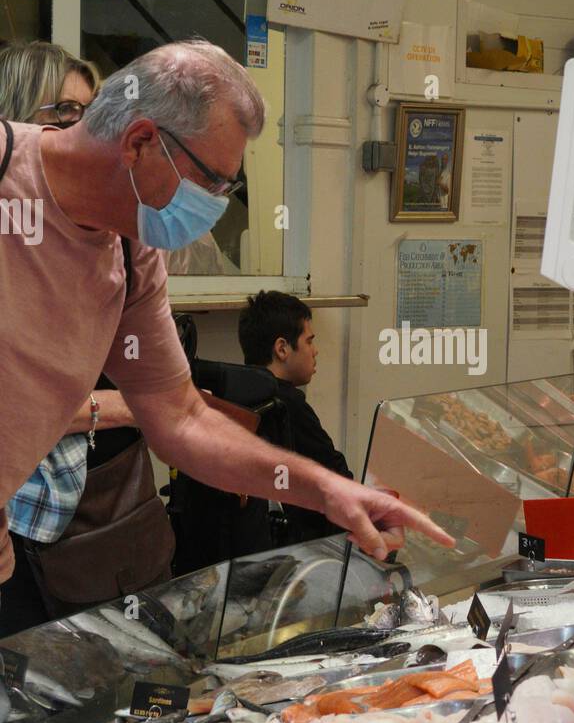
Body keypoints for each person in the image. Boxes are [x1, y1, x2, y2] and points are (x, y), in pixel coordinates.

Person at [0, 37, 452, 607]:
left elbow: (181, 418)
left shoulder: (130, 254)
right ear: (140, 142)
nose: (215, 203)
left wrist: (328, 490)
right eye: (211, 182)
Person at [0, 43, 155, 631]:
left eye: (91, 114)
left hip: (83, 521)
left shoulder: (108, 241)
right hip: (21, 524)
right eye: (63, 111)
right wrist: (113, 408)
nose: (82, 130)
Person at [239, 291, 354, 543]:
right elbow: (338, 480)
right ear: (282, 348)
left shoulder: (236, 397)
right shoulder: (288, 406)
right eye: (309, 341)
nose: (316, 351)